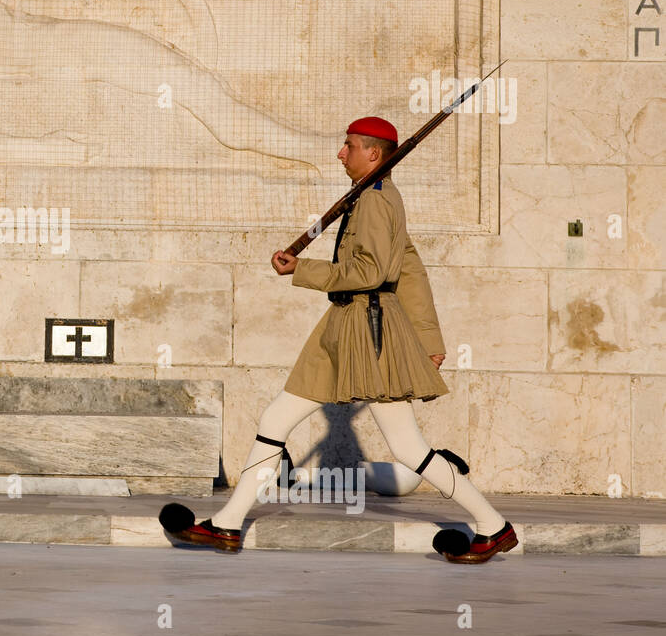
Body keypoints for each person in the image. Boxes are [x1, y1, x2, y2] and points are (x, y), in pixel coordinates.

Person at [164, 116, 515, 564]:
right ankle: (229, 524)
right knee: (279, 420)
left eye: (348, 145)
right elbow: (411, 270)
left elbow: (373, 273)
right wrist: (429, 338)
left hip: (365, 330)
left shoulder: (375, 202)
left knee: (404, 447)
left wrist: (301, 270)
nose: (340, 153)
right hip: (349, 325)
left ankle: (491, 524)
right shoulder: (376, 198)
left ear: (374, 153)